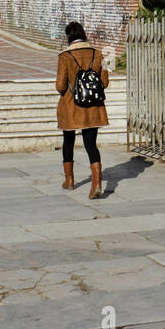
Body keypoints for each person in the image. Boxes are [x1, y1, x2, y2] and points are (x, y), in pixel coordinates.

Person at [55, 21, 109, 198]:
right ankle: (96, 183)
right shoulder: (98, 54)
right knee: (91, 144)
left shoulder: (65, 56)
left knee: (68, 141)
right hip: (93, 107)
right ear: (84, 34)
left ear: (68, 36)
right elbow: (105, 82)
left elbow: (60, 86)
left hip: (71, 106)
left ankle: (69, 180)